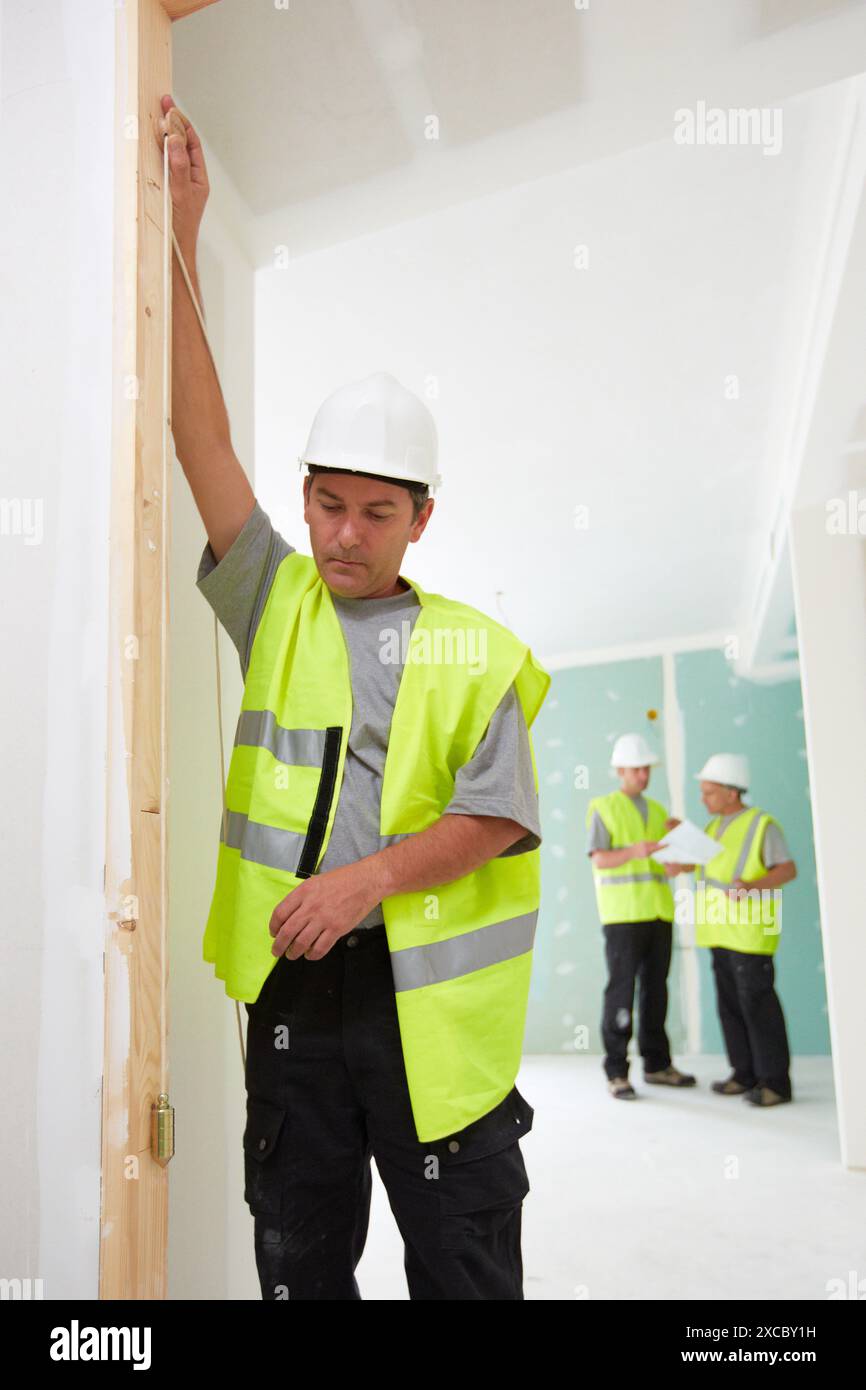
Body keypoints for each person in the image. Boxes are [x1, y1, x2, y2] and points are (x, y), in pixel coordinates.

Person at [158, 95, 551, 1300]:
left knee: (462, 1270)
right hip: (294, 989)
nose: (343, 533)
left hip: (425, 1007)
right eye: (327, 502)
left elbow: (494, 817)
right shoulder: (275, 597)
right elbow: (196, 435)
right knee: (297, 1255)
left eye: (376, 512)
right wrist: (179, 231)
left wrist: (364, 881)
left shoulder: (474, 650)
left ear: (420, 517)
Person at [586, 734, 696, 1099]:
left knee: (656, 991)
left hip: (659, 913)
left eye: (646, 769)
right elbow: (599, 858)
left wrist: (683, 860)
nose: (643, 776)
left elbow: (664, 867)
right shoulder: (603, 807)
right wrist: (634, 850)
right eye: (636, 769)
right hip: (623, 916)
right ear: (620, 771)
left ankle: (657, 1064)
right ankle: (617, 1071)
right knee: (621, 991)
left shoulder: (661, 813)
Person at [684, 755, 797, 1108]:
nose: (703, 799)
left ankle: (775, 1083)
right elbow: (709, 868)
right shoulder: (712, 828)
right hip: (717, 931)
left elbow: (787, 869)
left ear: (732, 792)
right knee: (730, 1006)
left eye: (710, 792)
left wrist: (751, 886)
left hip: (750, 933)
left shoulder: (763, 824)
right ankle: (744, 1074)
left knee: (757, 1006)